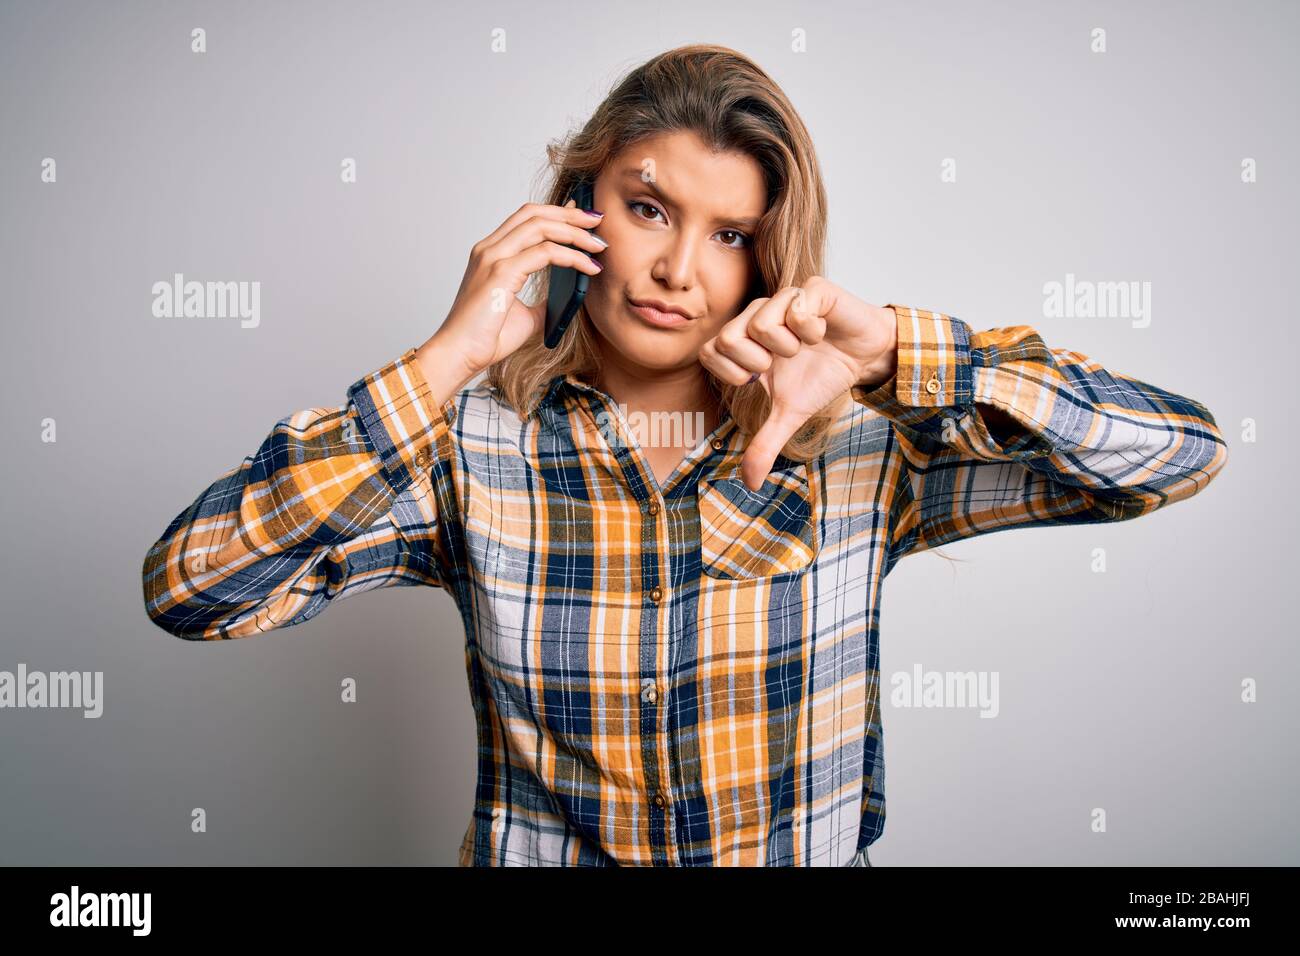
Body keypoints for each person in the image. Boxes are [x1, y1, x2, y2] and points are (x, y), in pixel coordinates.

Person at [141, 44, 1227, 866]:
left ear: (769, 255)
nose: (674, 269)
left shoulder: (859, 440)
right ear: (579, 209)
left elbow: (1174, 453)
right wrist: (439, 363)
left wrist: (899, 346)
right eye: (648, 208)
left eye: (728, 233)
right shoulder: (471, 449)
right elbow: (195, 586)